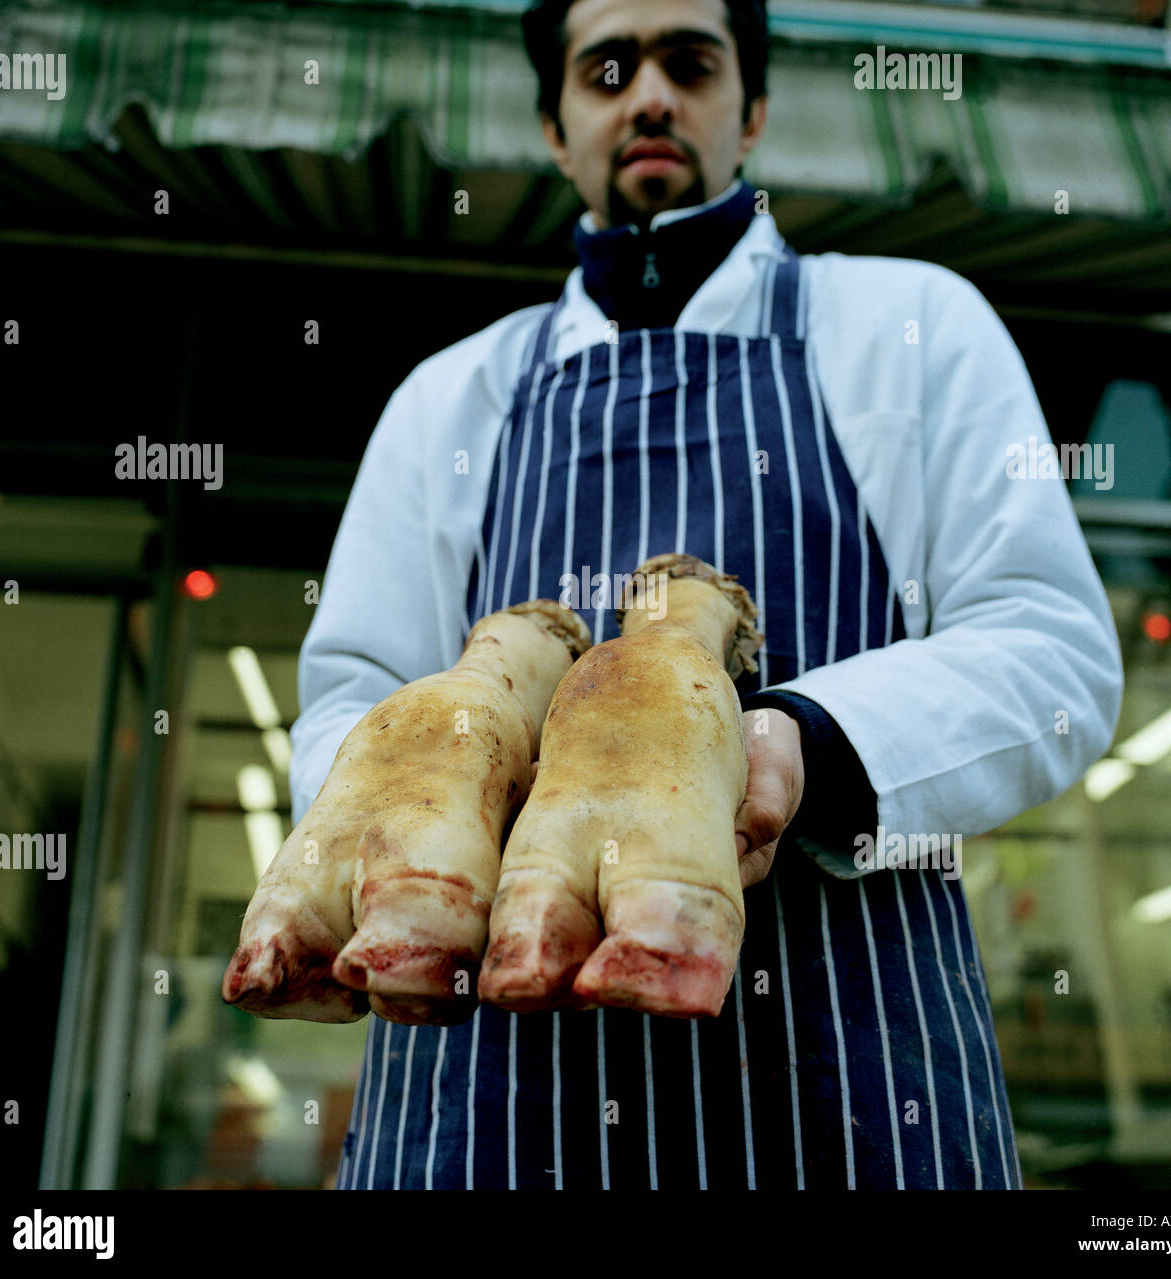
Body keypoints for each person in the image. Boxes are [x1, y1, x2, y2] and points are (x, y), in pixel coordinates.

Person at [291, 0, 1123, 1189]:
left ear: (755, 111)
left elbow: (1050, 652)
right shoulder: (447, 398)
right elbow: (349, 694)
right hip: (490, 1117)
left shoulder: (912, 323)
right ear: (554, 123)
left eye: (690, 62)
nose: (648, 97)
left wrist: (789, 749)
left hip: (846, 1095)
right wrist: (427, 801)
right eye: (606, 69)